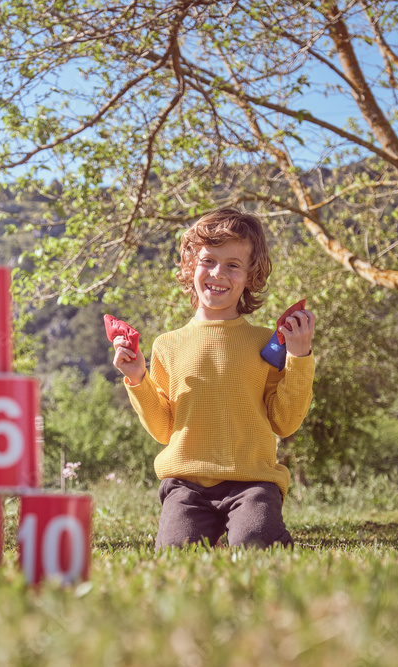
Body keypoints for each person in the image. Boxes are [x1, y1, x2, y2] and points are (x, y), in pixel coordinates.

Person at [111, 207, 315, 549]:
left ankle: (251, 533)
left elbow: (285, 422)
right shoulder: (167, 345)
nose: (218, 273)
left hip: (253, 482)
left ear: (251, 276)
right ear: (192, 266)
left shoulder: (268, 343)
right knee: (177, 554)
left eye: (233, 265)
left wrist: (299, 356)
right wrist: (136, 378)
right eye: (208, 261)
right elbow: (163, 429)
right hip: (186, 484)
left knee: (255, 543)